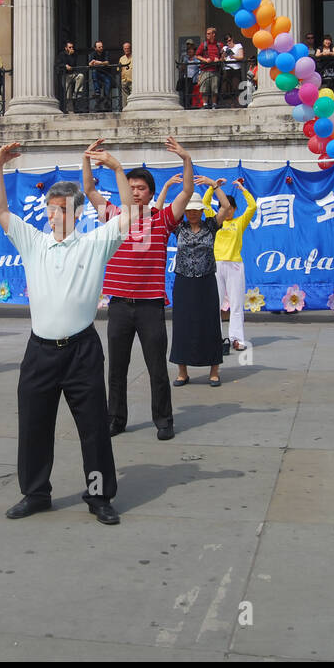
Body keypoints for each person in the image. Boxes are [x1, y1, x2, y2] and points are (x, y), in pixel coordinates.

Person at [0, 140, 133, 525]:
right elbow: (0, 210)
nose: (53, 215)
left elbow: (128, 218)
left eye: (60, 209)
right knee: (34, 424)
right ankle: (36, 493)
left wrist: (118, 170)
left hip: (81, 351)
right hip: (40, 352)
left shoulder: (93, 244)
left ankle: (100, 495)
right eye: (50, 209)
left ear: (77, 211)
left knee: (93, 429)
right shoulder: (33, 243)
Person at [84, 136, 194, 440]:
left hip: (149, 306)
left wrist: (185, 159)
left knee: (157, 367)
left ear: (150, 194)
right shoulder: (114, 218)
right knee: (116, 368)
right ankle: (115, 420)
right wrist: (85, 160)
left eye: (141, 188)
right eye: (130, 187)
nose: (135, 192)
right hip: (119, 305)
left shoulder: (163, 219)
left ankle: (164, 421)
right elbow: (90, 191)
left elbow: (187, 191)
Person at [167, 178, 234, 387]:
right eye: (189, 210)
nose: (193, 213)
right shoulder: (179, 228)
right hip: (184, 282)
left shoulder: (211, 226)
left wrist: (214, 186)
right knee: (182, 325)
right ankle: (182, 371)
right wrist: (168, 187)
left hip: (206, 282)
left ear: (202, 210)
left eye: (196, 209)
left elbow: (226, 206)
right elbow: (159, 211)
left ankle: (214, 371)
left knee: (209, 324)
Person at [203, 177, 256, 351]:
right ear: (220, 209)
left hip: (234, 265)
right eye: (225, 208)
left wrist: (242, 189)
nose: (228, 212)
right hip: (216, 265)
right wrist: (213, 186)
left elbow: (253, 207)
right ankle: (215, 338)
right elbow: (205, 203)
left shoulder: (239, 223)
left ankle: (237, 339)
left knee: (236, 303)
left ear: (234, 209)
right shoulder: (214, 220)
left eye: (232, 209)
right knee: (213, 304)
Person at [194, 28, 223, 109]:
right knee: (204, 89)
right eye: (207, 33)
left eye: (209, 33)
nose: (207, 35)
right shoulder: (203, 44)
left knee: (214, 88)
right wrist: (205, 60)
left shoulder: (219, 45)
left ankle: (214, 104)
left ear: (213, 34)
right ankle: (205, 104)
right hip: (205, 70)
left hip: (215, 70)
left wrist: (219, 59)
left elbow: (223, 57)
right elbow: (197, 55)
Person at [87, 40, 116, 111]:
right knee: (94, 72)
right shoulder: (93, 54)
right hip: (97, 74)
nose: (101, 48)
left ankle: (106, 99)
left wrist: (98, 62)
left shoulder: (105, 53)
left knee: (108, 82)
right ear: (95, 48)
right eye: (99, 47)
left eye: (102, 46)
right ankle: (97, 92)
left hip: (105, 74)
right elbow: (90, 64)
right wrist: (98, 63)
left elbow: (107, 62)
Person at [58, 41, 84, 113]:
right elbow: (59, 64)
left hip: (73, 74)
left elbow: (73, 64)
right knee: (68, 94)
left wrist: (70, 55)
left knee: (81, 76)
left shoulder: (74, 55)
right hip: (65, 75)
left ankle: (76, 92)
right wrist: (65, 66)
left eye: (72, 47)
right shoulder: (61, 54)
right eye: (70, 47)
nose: (72, 48)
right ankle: (70, 110)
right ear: (66, 48)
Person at [223, 35, 244, 106]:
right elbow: (222, 59)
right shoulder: (225, 48)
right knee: (227, 87)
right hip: (227, 69)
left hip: (236, 69)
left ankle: (237, 103)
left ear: (232, 39)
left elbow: (241, 57)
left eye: (229, 40)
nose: (228, 42)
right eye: (226, 41)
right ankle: (229, 103)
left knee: (236, 86)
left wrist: (233, 56)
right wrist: (224, 55)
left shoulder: (238, 46)